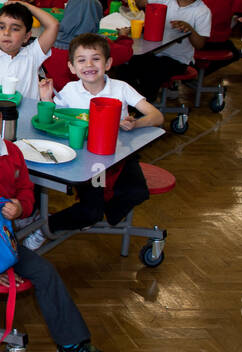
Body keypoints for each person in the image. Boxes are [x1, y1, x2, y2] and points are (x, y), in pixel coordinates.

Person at [0, 83, 118, 352]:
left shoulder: (11, 150)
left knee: (45, 272)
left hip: (1, 236)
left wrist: (21, 206)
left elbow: (25, 189)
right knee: (43, 270)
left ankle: (71, 344)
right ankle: (72, 343)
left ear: (2, 118)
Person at [27, 32, 162, 250]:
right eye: (81, 60)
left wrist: (136, 123)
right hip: (87, 162)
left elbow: (157, 116)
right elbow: (53, 120)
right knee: (91, 210)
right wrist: (46, 98)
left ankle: (94, 214)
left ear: (108, 63)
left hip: (119, 156)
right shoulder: (70, 91)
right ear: (72, 67)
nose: (89, 65)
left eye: (96, 59)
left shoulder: (120, 88)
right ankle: (45, 228)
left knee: (137, 192)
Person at [112, 0, 213, 101]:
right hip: (153, 54)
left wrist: (190, 30)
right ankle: (127, 102)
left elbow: (200, 44)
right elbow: (142, 2)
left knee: (152, 74)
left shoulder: (202, 12)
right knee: (125, 65)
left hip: (178, 60)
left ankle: (144, 107)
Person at [41, 0, 132, 90]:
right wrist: (123, 37)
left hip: (54, 95)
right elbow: (126, 54)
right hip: (89, 95)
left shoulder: (49, 39)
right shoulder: (98, 44)